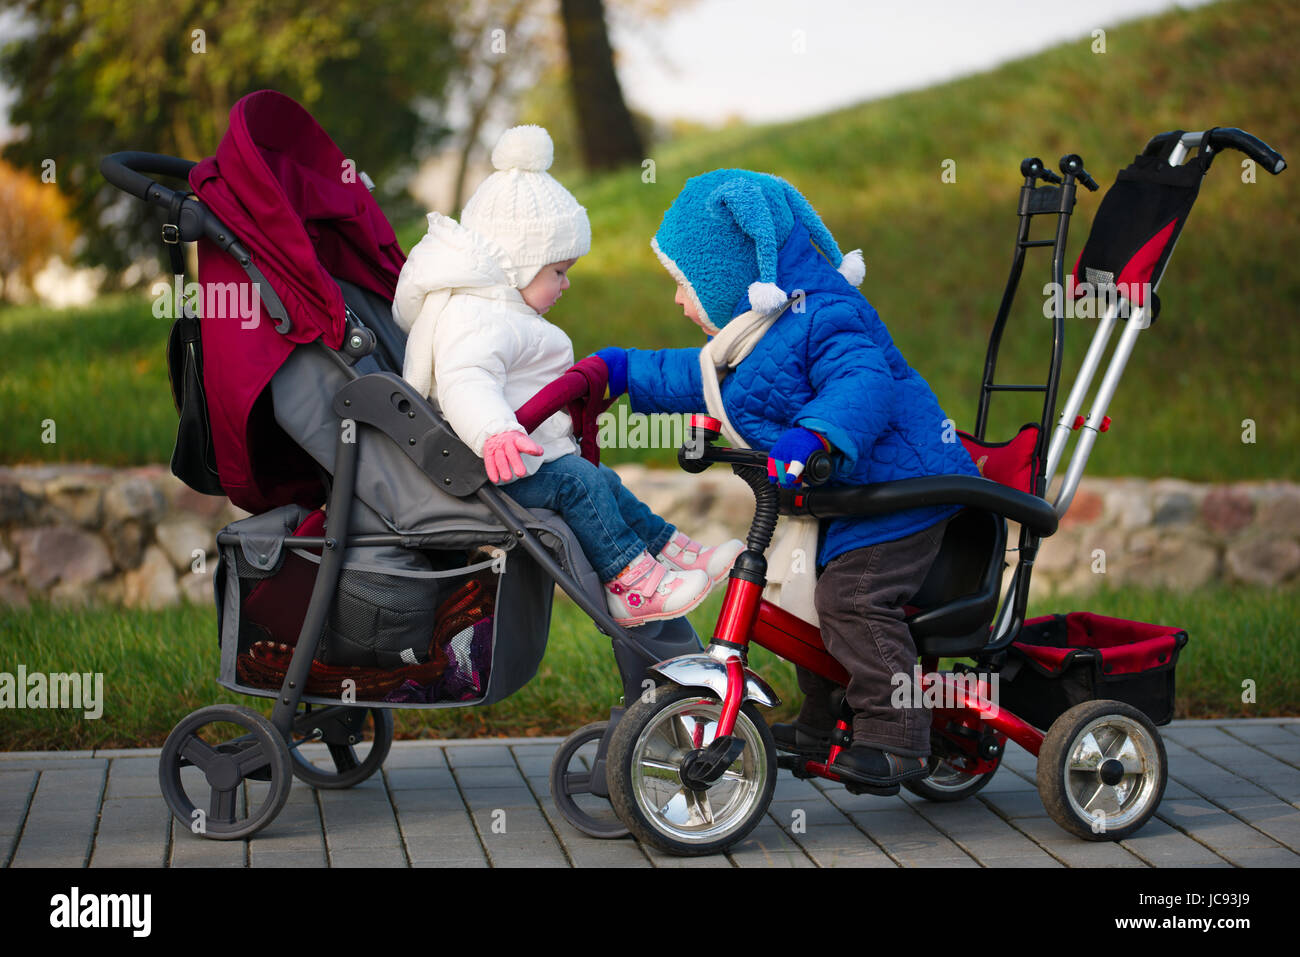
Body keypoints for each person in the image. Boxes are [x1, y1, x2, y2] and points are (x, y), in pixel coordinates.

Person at [594, 169, 981, 789]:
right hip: (854, 502)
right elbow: (698, 376)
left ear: (731, 271)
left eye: (683, 284)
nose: (678, 301)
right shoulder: (763, 332)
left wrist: (815, 432)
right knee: (804, 606)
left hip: (907, 497)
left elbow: (862, 381)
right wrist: (615, 372)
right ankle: (824, 722)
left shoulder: (827, 315)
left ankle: (898, 737)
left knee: (850, 602)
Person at [391, 126, 743, 627]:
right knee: (580, 482)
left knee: (602, 481)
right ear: (516, 264)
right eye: (558, 270)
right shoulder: (475, 316)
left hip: (523, 465)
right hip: (487, 474)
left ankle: (671, 550)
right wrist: (495, 432)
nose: (567, 282)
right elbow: (465, 379)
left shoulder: (504, 310)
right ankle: (633, 583)